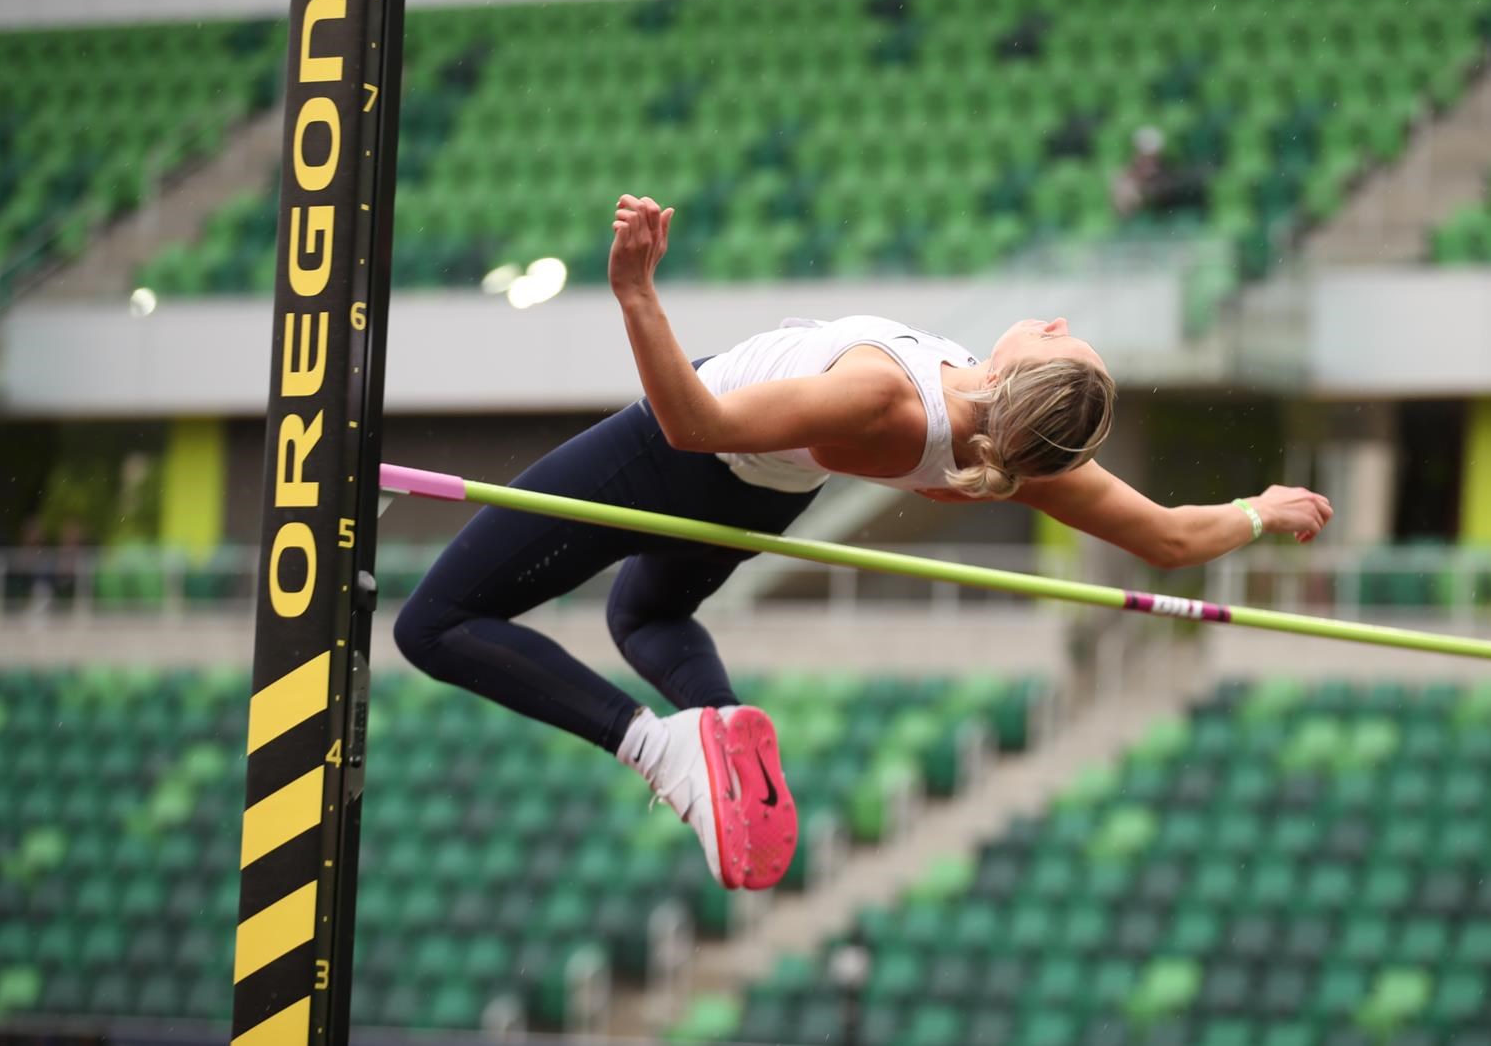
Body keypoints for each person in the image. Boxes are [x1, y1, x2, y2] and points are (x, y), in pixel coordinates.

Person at [393, 195, 1335, 891]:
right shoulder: (1017, 450)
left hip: (677, 456)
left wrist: (637, 294)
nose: (1055, 321)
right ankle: (718, 728)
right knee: (646, 616)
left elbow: (693, 426)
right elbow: (1168, 537)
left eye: (1061, 341)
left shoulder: (886, 400)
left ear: (1015, 378)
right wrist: (1258, 508)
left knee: (435, 625)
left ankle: (654, 747)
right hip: (762, 498)